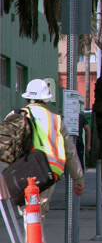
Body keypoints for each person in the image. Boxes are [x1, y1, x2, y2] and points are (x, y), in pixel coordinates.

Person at [19, 79, 85, 212]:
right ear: (46, 99)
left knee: (27, 212)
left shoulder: (15, 115)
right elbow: (70, 152)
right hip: (45, 173)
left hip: (18, 171)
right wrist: (78, 178)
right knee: (37, 214)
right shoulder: (55, 119)